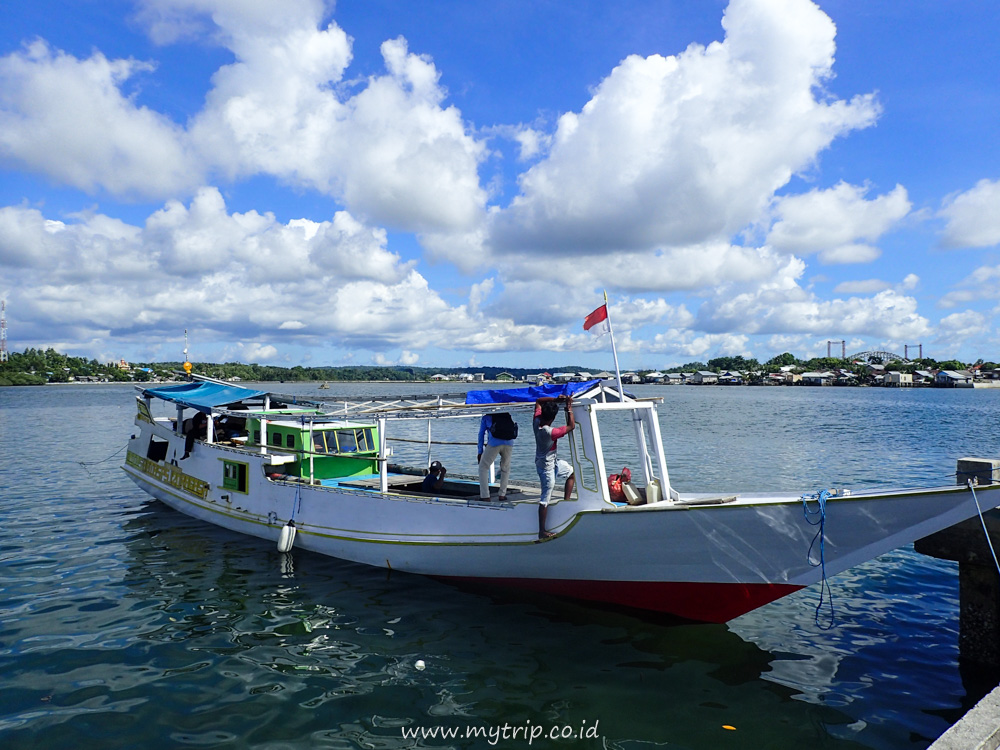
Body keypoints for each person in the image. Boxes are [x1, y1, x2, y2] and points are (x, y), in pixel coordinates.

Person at [532, 395, 575, 540]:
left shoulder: (536, 420)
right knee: (545, 499)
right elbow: (571, 426)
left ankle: (566, 501)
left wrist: (556, 399)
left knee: (571, 473)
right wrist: (568, 408)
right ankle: (542, 531)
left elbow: (538, 401)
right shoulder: (551, 432)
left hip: (550, 462)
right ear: (552, 418)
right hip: (547, 468)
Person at [477, 412, 517, 502]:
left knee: (483, 467)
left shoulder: (486, 418)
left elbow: (481, 435)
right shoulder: (507, 415)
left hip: (494, 443)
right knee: (505, 468)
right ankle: (502, 495)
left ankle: (485, 496)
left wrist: (480, 451)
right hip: (509, 443)